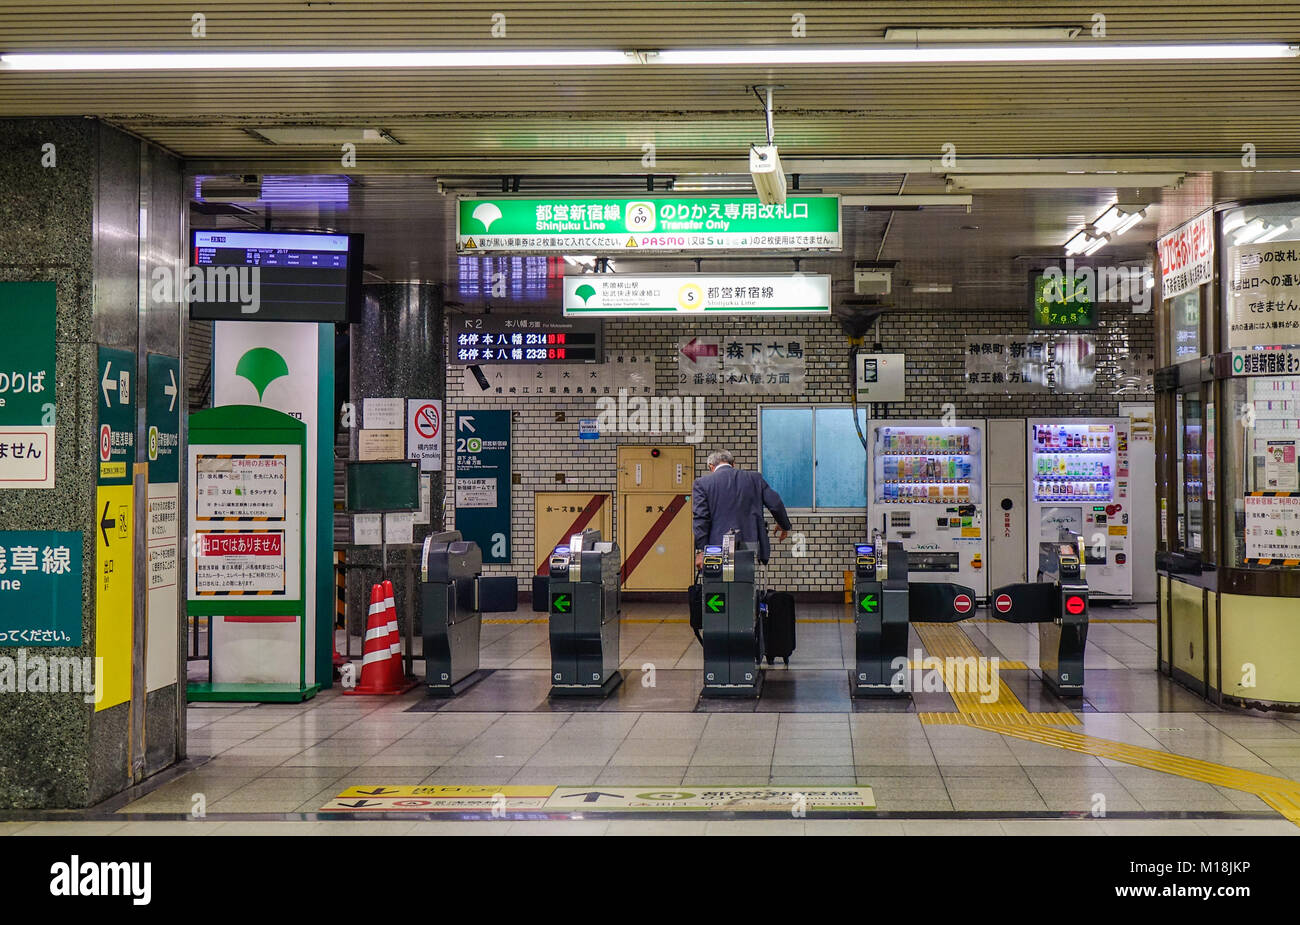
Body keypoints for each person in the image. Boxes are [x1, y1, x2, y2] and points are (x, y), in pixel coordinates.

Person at [692, 450, 792, 566]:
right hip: (749, 543)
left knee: (721, 582)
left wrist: (702, 550)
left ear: (711, 466)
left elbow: (701, 518)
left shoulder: (702, 483)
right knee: (745, 580)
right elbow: (775, 503)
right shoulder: (755, 479)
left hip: (716, 548)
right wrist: (784, 525)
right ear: (733, 464)